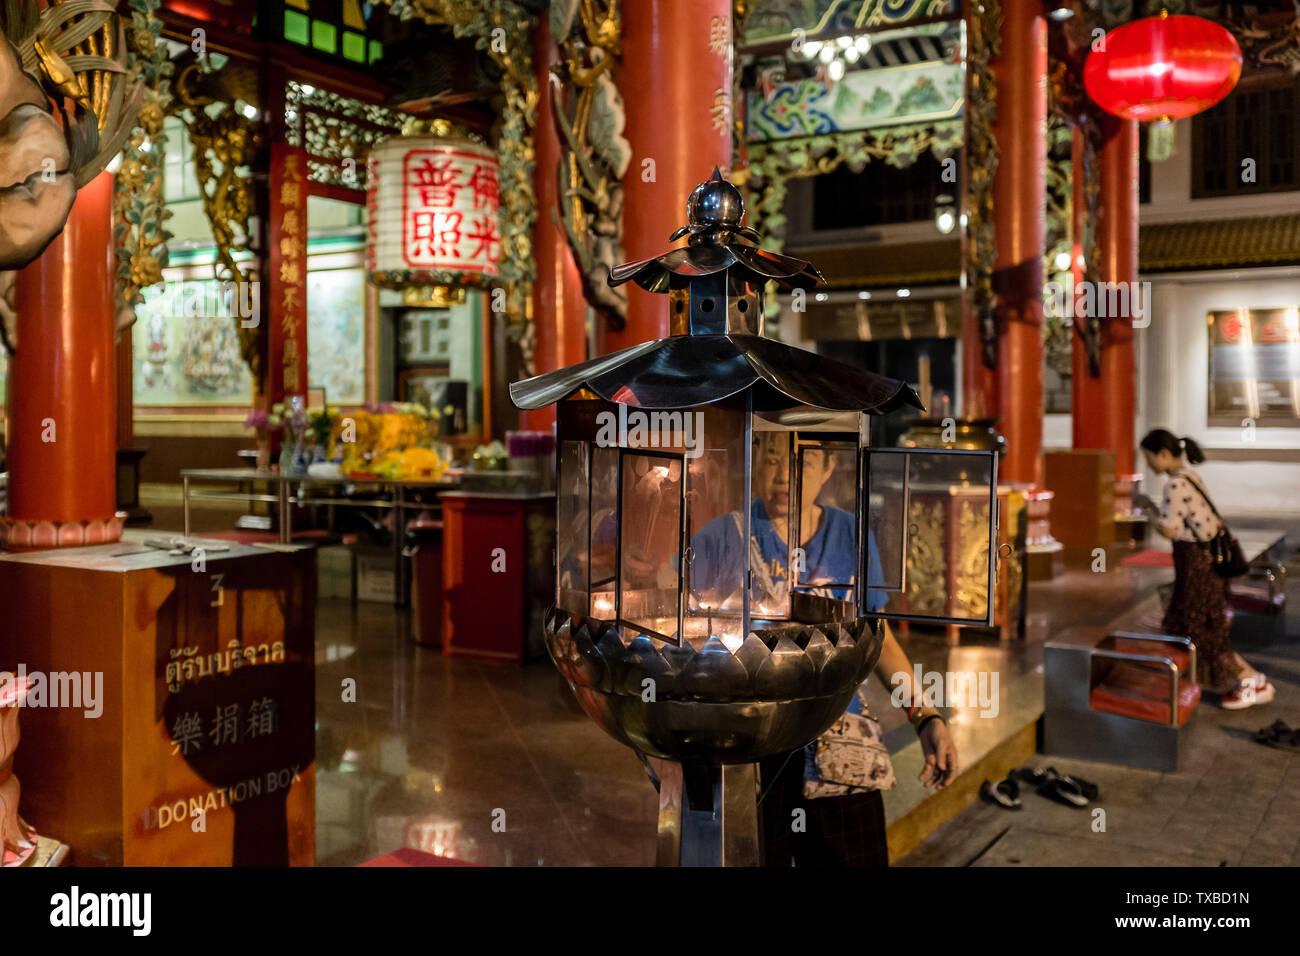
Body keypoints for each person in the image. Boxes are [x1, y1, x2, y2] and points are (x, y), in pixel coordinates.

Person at [690, 435, 959, 866]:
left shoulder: (851, 534)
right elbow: (670, 606)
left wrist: (924, 715)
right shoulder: (725, 536)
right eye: (772, 459)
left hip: (839, 735)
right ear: (755, 460)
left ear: (828, 469)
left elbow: (880, 639)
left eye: (802, 463)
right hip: (752, 740)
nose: (782, 476)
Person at [1137, 429, 1274, 709]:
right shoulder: (1191, 477)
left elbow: (1170, 529)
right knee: (1197, 629)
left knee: (1204, 633)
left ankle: (1251, 680)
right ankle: (1233, 679)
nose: (1149, 464)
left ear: (1163, 455)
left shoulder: (1174, 484)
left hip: (1196, 568)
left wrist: (1147, 509)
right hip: (1206, 566)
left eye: (1149, 457)